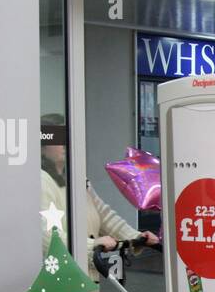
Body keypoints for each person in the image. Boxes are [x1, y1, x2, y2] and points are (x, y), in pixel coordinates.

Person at [40, 117, 160, 282]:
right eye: (58, 138)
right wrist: (92, 245)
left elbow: (103, 214)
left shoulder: (75, 176)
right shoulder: (41, 181)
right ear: (42, 147)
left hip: (86, 274)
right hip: (62, 281)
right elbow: (46, 236)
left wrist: (136, 237)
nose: (65, 143)